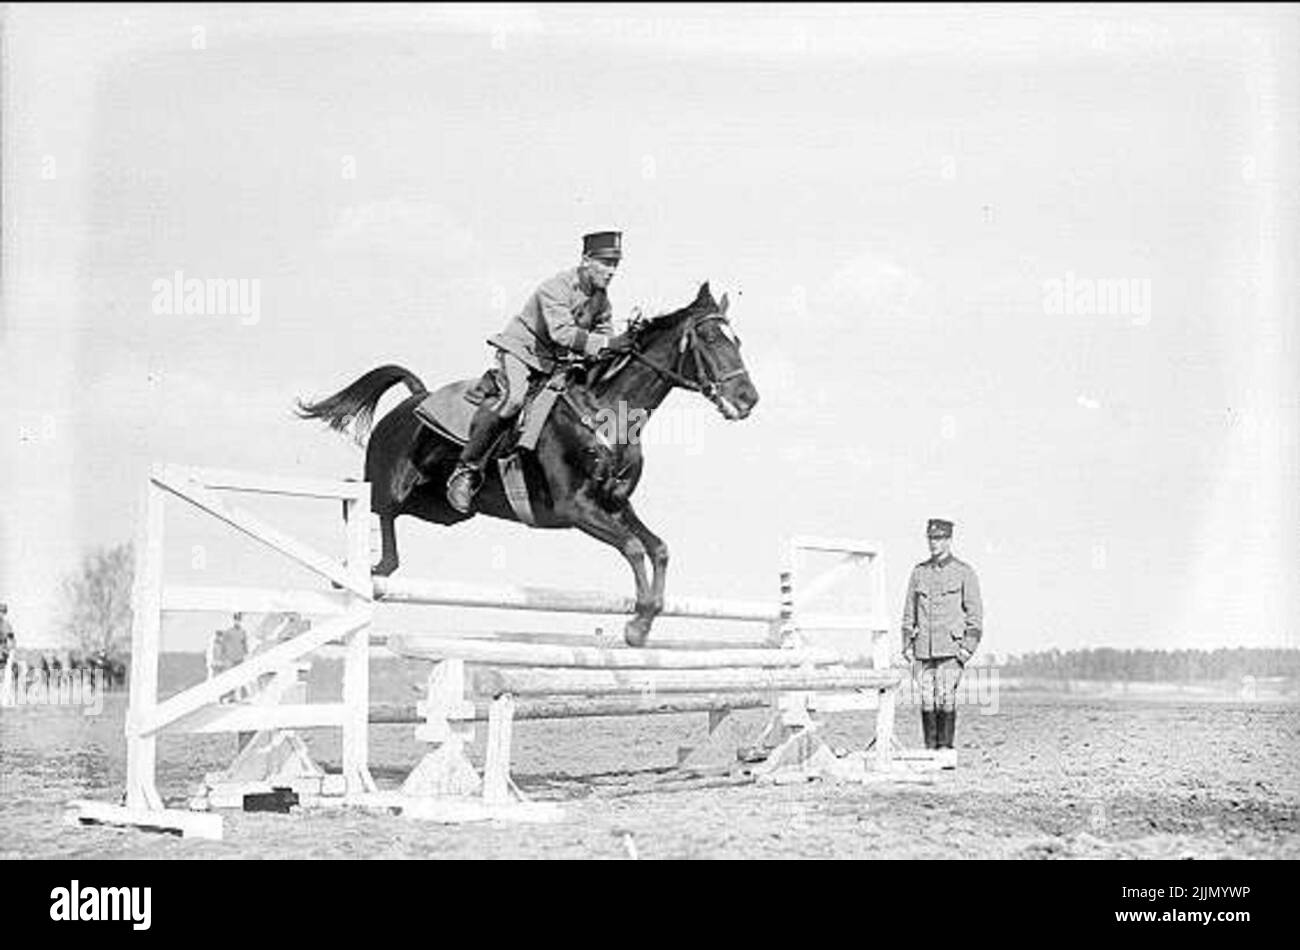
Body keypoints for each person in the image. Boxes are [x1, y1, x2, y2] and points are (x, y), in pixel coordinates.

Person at [446, 230, 635, 513]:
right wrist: (607, 343)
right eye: (606, 263)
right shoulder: (555, 288)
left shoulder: (601, 300)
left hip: (557, 364)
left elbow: (603, 338)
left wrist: (621, 345)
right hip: (522, 353)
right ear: (586, 260)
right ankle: (466, 471)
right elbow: (562, 333)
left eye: (615, 265)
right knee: (514, 400)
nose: (611, 272)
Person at [900, 519, 983, 752]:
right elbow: (909, 611)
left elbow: (975, 615)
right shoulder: (919, 573)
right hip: (923, 649)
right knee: (926, 698)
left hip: (950, 649)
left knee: (946, 696)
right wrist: (906, 645)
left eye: (938, 539)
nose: (933, 543)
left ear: (948, 540)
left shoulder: (964, 572)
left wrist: (967, 649)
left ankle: (945, 749)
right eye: (930, 539)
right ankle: (930, 749)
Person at [207, 612, 249, 702]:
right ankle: (225, 696)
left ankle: (237, 697)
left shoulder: (243, 632)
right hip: (229, 658)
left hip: (239, 658)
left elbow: (244, 644)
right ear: (233, 620)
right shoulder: (228, 632)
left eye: (239, 619)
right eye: (236, 619)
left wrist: (245, 653)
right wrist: (219, 658)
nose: (237, 621)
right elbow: (221, 644)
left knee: (240, 678)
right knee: (229, 678)